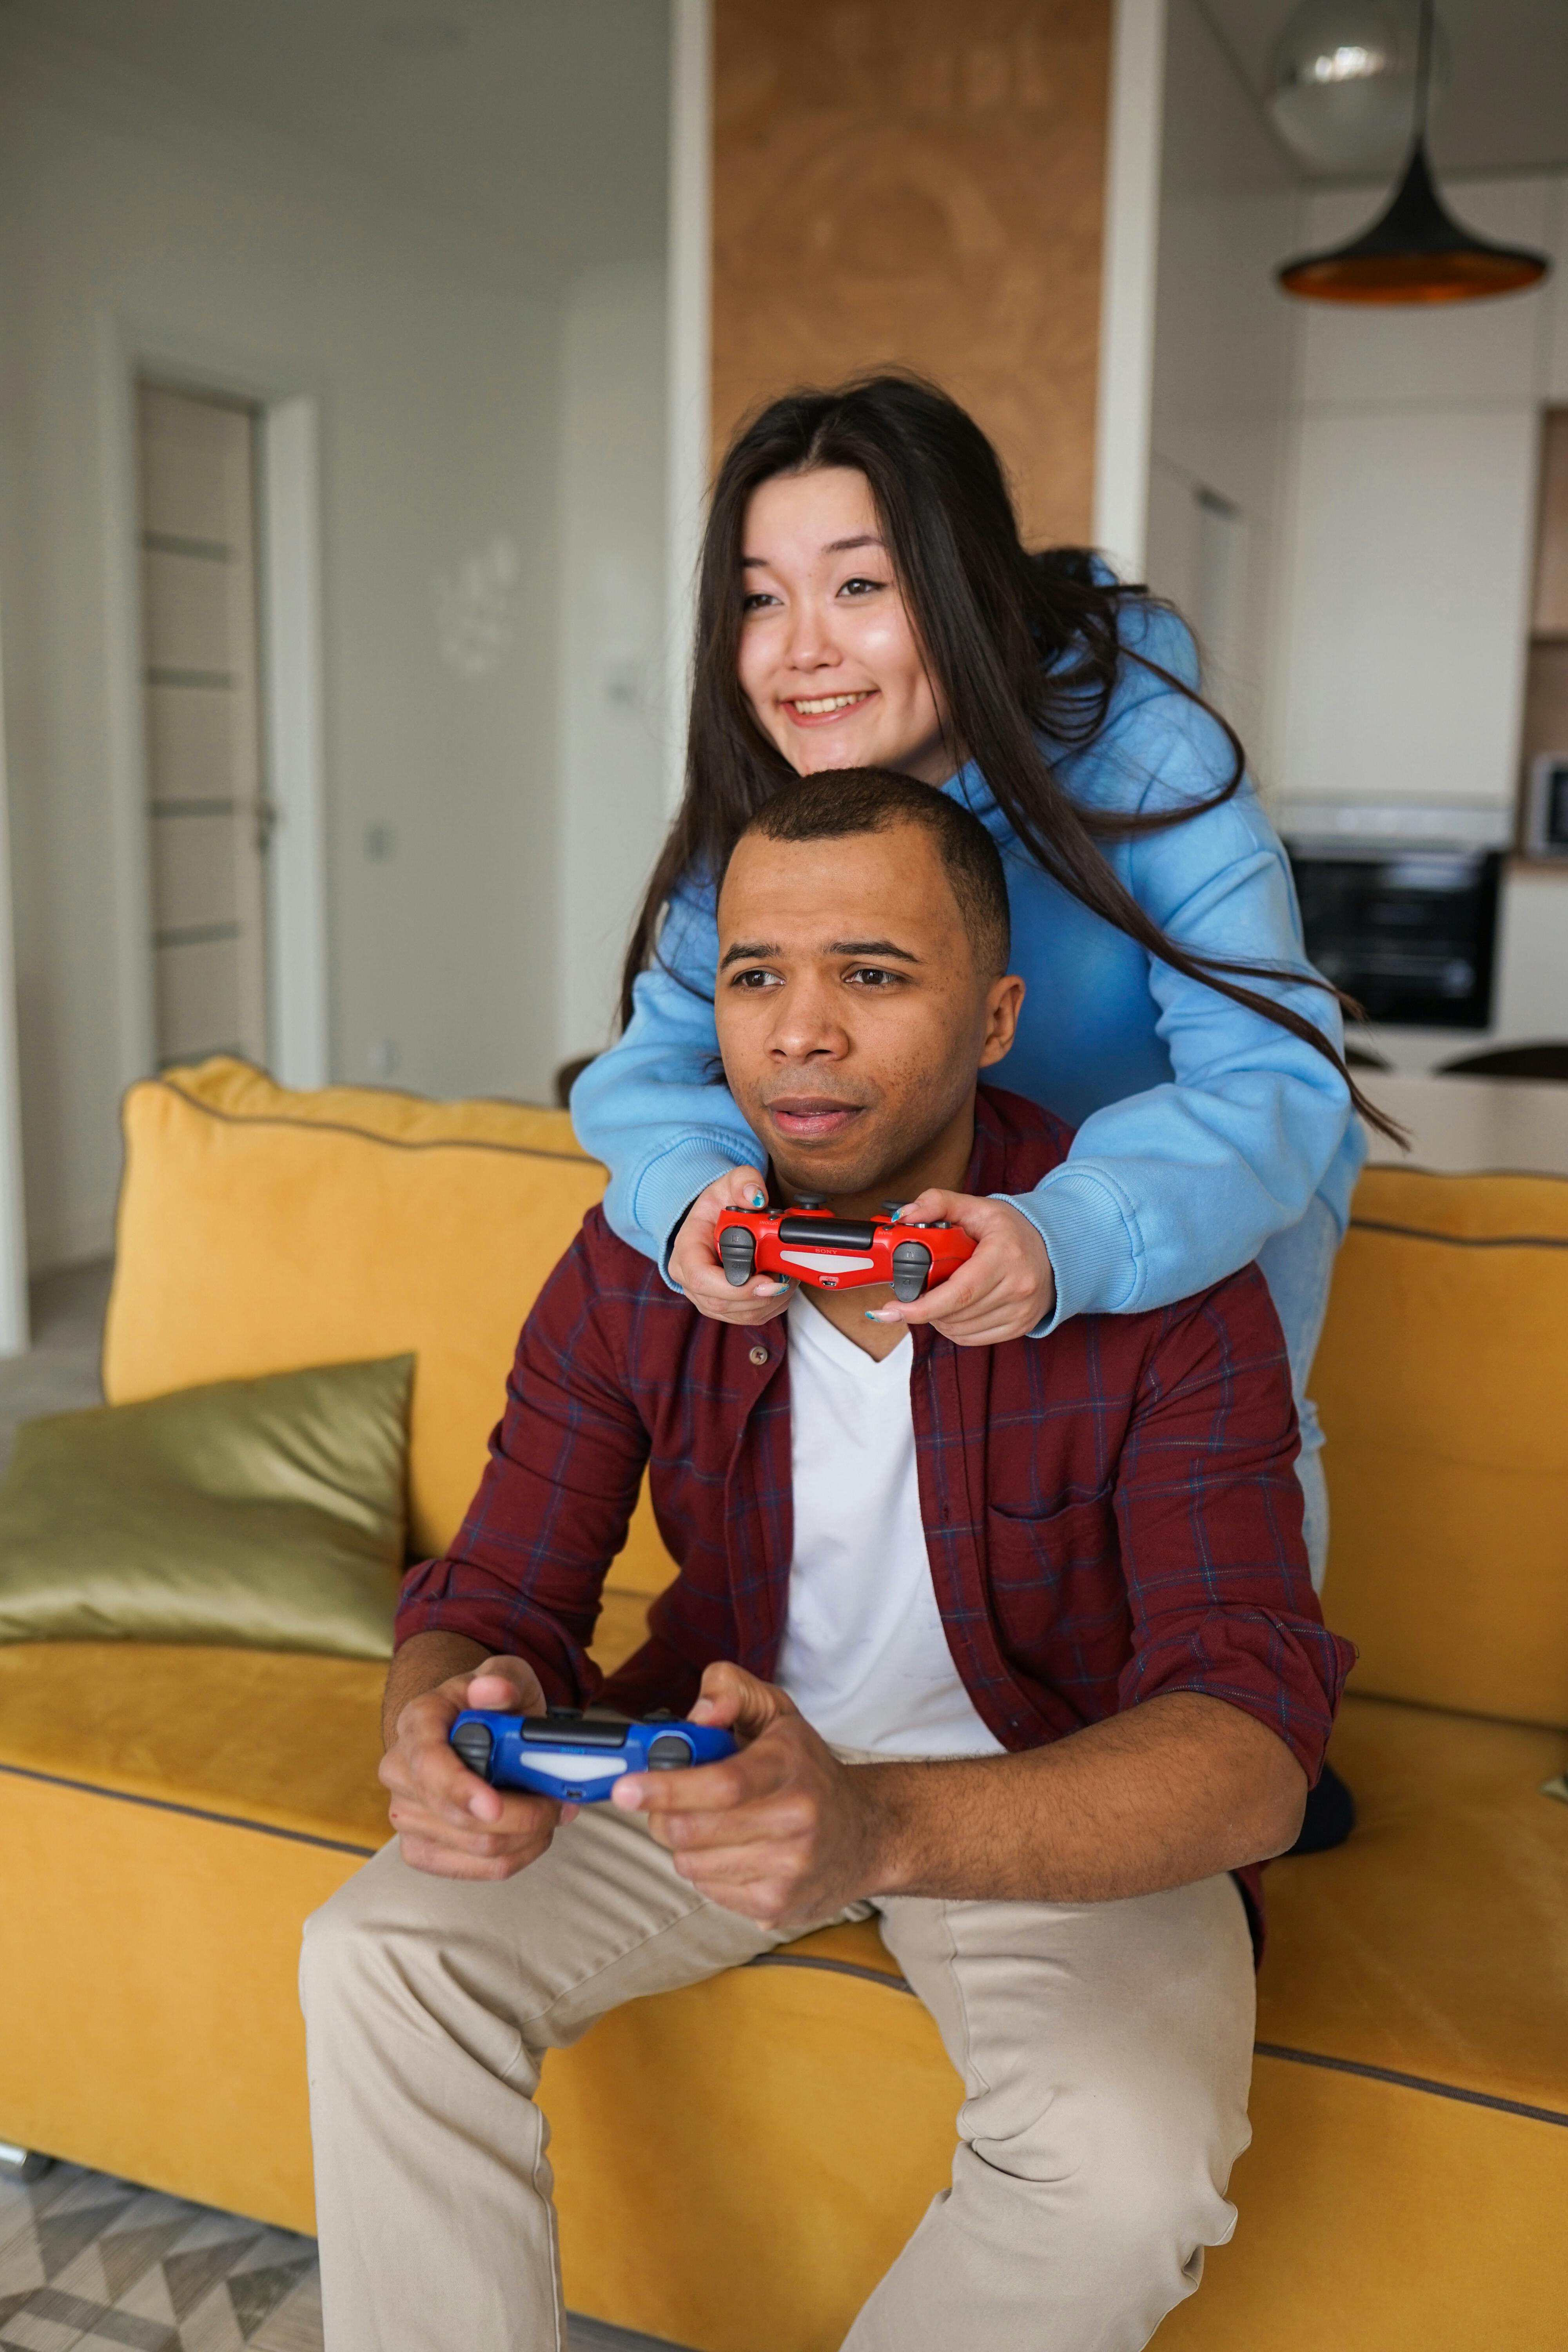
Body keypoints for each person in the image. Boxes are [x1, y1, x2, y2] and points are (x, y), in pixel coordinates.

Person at [301, 772, 1353, 2352]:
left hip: (1044, 1790)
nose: (799, 1033)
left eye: (871, 973)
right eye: (754, 977)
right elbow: (496, 1598)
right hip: (707, 1769)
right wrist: (439, 1718)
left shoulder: (1155, 1263)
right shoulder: (645, 1251)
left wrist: (871, 1829)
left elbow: (1253, 1743)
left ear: (995, 1018)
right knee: (374, 1954)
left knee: (1130, 2171)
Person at [570, 374, 1393, 1605]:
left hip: (1188, 1199)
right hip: (941, 1212)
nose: (802, 649)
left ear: (958, 588)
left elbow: (1273, 1075)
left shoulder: (1143, 747)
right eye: (760, 598)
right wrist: (690, 1192)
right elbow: (646, 1072)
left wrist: (1075, 1233)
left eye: (859, 586)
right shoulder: (757, 811)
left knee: (1207, 1512)